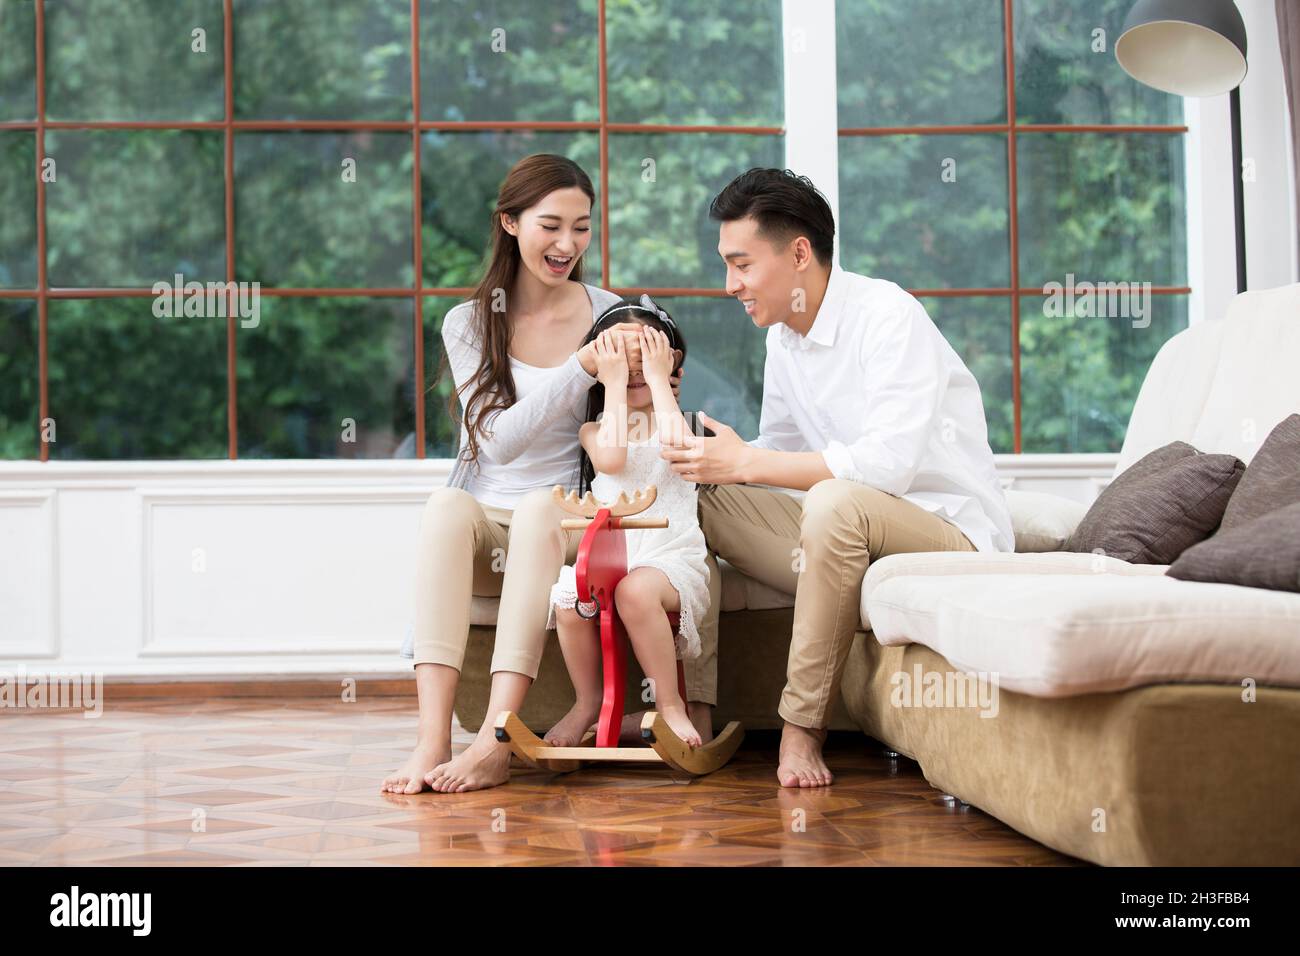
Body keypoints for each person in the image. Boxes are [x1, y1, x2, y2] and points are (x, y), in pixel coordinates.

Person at [662, 168, 1014, 789]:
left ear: (799, 252)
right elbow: (783, 452)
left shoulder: (887, 316)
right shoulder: (783, 339)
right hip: (842, 530)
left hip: (945, 531)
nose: (729, 285)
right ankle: (699, 712)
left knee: (836, 503)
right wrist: (721, 459)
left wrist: (751, 463)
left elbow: (887, 466)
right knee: (702, 491)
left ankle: (802, 731)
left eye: (741, 264)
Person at [381, 154, 684, 794]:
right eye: (551, 225)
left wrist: (653, 375)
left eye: (582, 226)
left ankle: (496, 738)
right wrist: (580, 365)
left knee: (540, 510)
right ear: (510, 223)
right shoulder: (468, 322)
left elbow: (656, 400)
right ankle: (431, 741)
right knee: (443, 509)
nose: (568, 244)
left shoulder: (610, 312)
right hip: (491, 510)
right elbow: (497, 445)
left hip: (570, 518)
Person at [544, 298, 711, 750]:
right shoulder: (595, 430)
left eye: (644, 360)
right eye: (620, 362)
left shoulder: (688, 424)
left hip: (670, 558)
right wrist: (613, 384)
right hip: (611, 558)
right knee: (568, 596)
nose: (633, 371)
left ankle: (670, 705)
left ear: (669, 360)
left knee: (634, 590)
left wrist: (658, 379)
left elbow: (678, 447)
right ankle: (587, 703)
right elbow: (614, 458)